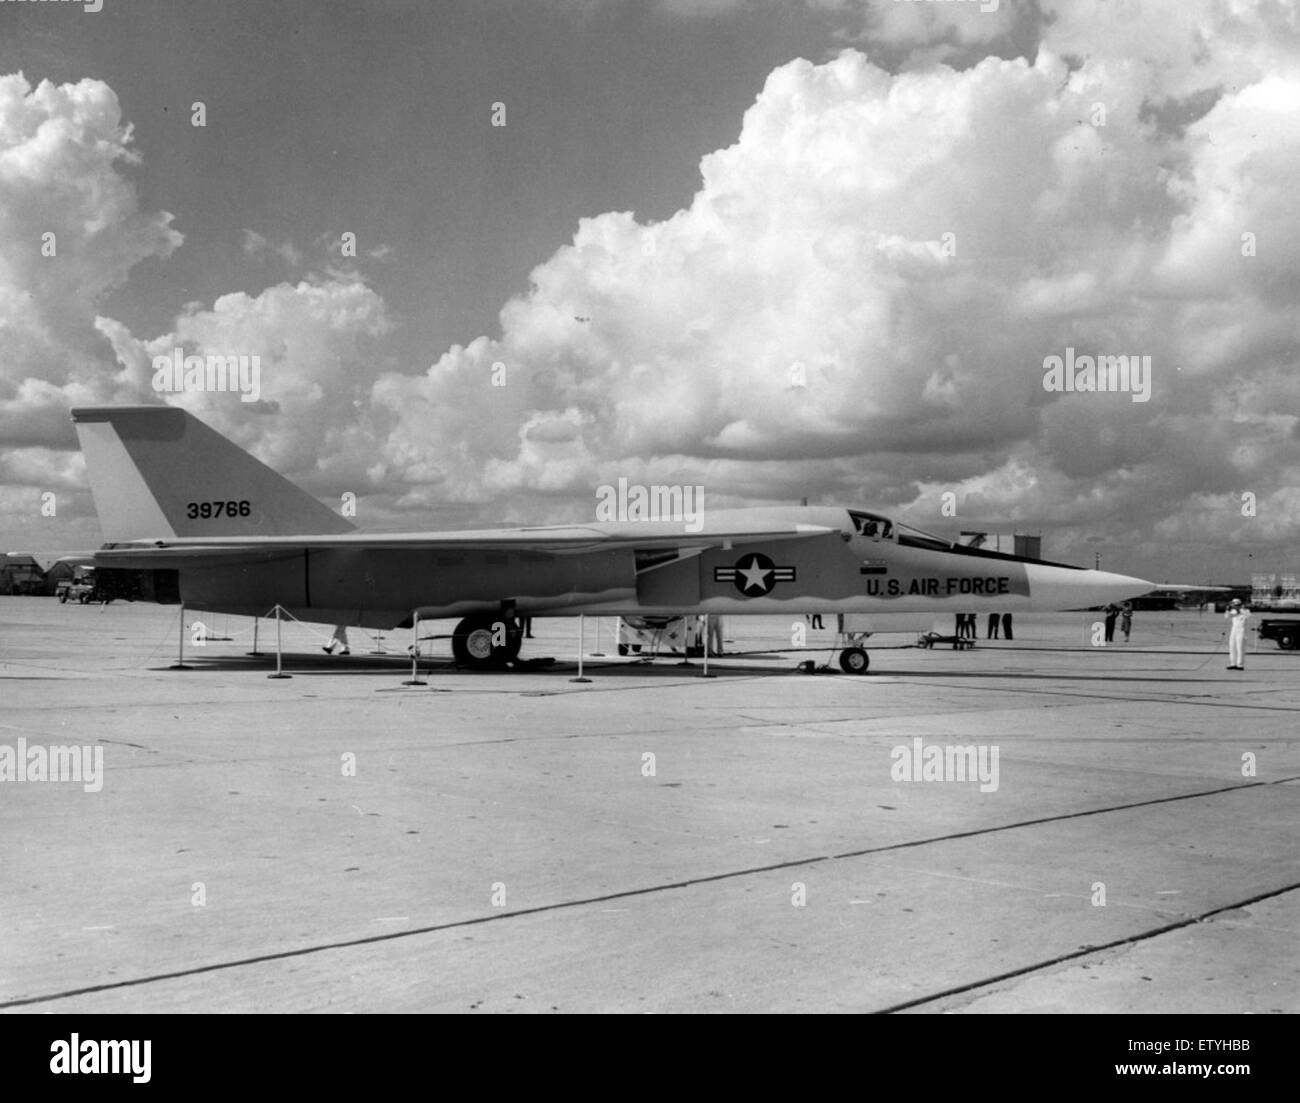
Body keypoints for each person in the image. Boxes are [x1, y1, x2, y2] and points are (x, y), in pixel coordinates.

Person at [1225, 598, 1251, 670]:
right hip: (1234, 629)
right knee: (1232, 646)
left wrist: (1239, 609)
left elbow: (1248, 615)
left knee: (1240, 647)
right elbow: (1226, 617)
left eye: (1233, 604)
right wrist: (1227, 610)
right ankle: (1233, 663)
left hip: (1241, 630)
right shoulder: (1233, 611)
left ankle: (1240, 664)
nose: (1232, 605)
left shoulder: (1245, 610)